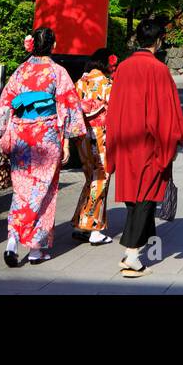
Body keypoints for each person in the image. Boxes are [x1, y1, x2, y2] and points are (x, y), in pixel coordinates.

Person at [0, 27, 86, 267]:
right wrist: (67, 141)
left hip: (21, 136)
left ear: (32, 45)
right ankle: (35, 248)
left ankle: (12, 239)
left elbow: (5, 103)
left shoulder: (21, 70)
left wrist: (0, 132)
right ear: (53, 46)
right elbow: (68, 108)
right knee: (43, 192)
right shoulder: (57, 72)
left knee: (22, 191)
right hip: (46, 137)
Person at [106, 19, 183, 278]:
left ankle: (137, 248)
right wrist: (172, 142)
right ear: (159, 40)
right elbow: (167, 112)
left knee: (135, 197)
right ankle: (131, 255)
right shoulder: (158, 70)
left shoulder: (123, 68)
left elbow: (114, 109)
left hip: (125, 140)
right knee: (145, 197)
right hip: (149, 145)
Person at [72, 48, 116, 246]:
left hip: (82, 137)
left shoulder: (79, 83)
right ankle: (94, 229)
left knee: (90, 178)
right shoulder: (108, 85)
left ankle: (80, 224)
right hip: (100, 136)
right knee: (101, 178)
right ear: (106, 64)